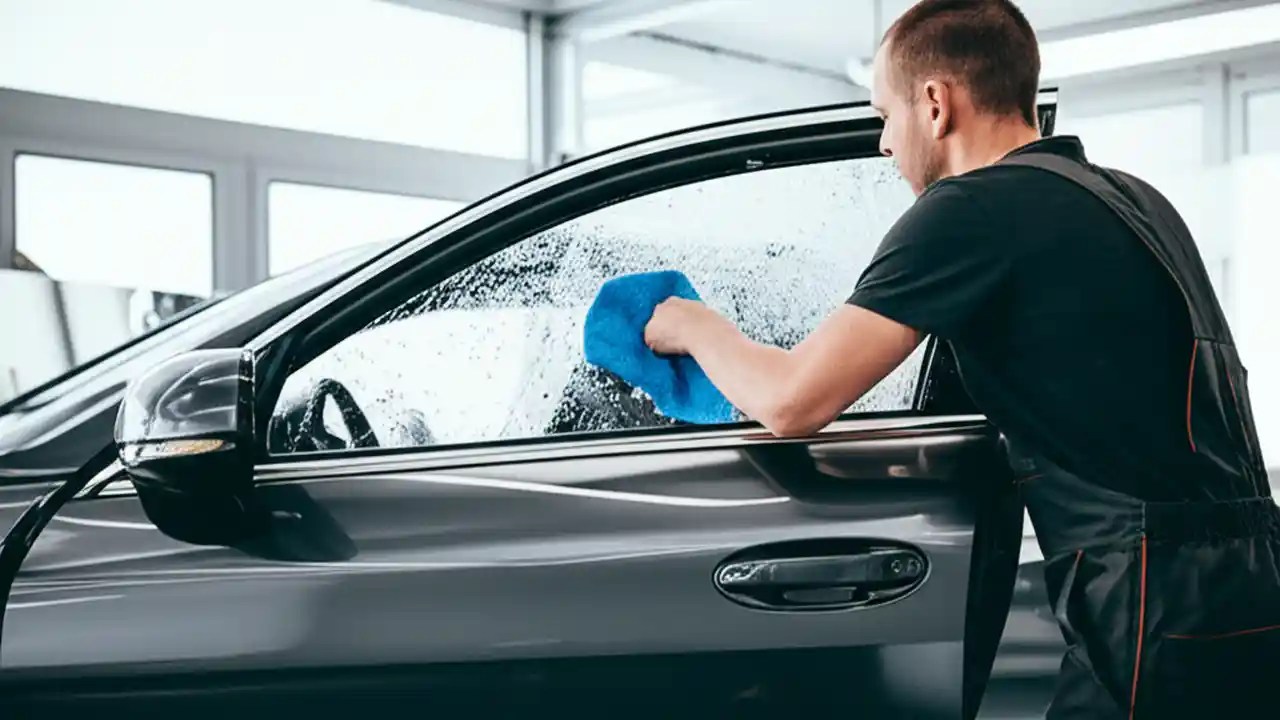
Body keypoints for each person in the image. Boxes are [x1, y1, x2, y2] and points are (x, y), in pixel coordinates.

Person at [642, 0, 1280, 717]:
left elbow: (795, 401)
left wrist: (695, 327)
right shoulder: (1136, 199)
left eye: (884, 113)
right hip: (1252, 589)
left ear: (936, 104)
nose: (884, 142)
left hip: (1149, 612)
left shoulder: (970, 212)